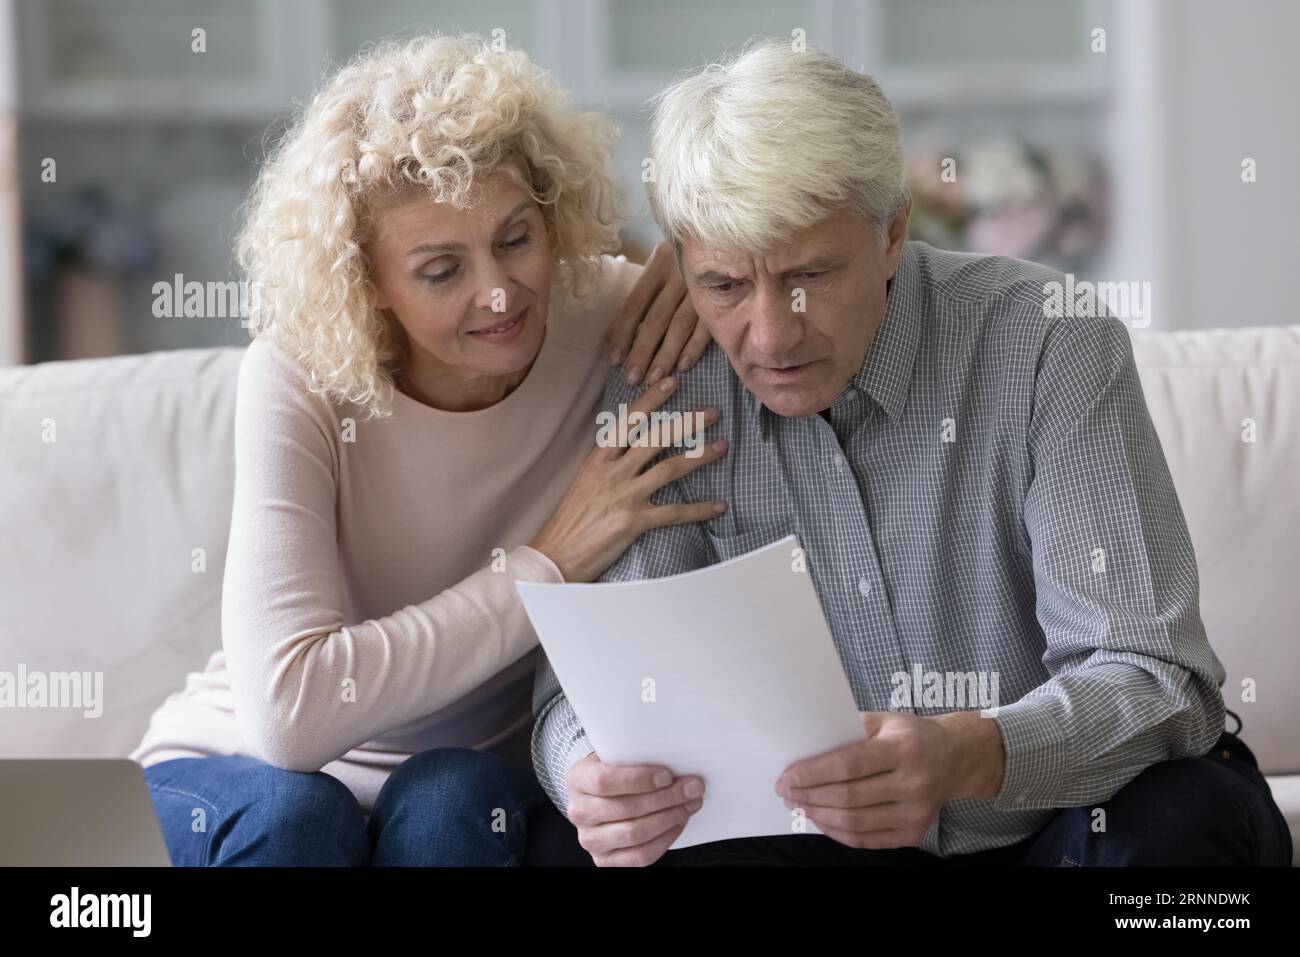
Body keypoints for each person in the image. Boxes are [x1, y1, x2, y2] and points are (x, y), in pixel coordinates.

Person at [531, 39, 1293, 867]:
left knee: (1185, 816)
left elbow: (1160, 680)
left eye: (810, 275)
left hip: (1056, 831)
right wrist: (590, 773)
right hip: (816, 849)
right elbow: (586, 689)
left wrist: (974, 750)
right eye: (722, 285)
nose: (771, 335)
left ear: (893, 233)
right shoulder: (664, 386)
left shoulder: (1050, 341)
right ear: (679, 263)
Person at [130, 33, 728, 866]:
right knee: (299, 818)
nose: (499, 292)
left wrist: (708, 266)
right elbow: (289, 715)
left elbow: (767, 283)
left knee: (456, 796)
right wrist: (547, 562)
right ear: (366, 282)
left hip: (466, 787)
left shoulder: (614, 316)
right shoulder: (301, 374)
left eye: (517, 238)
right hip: (246, 767)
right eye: (441, 269)